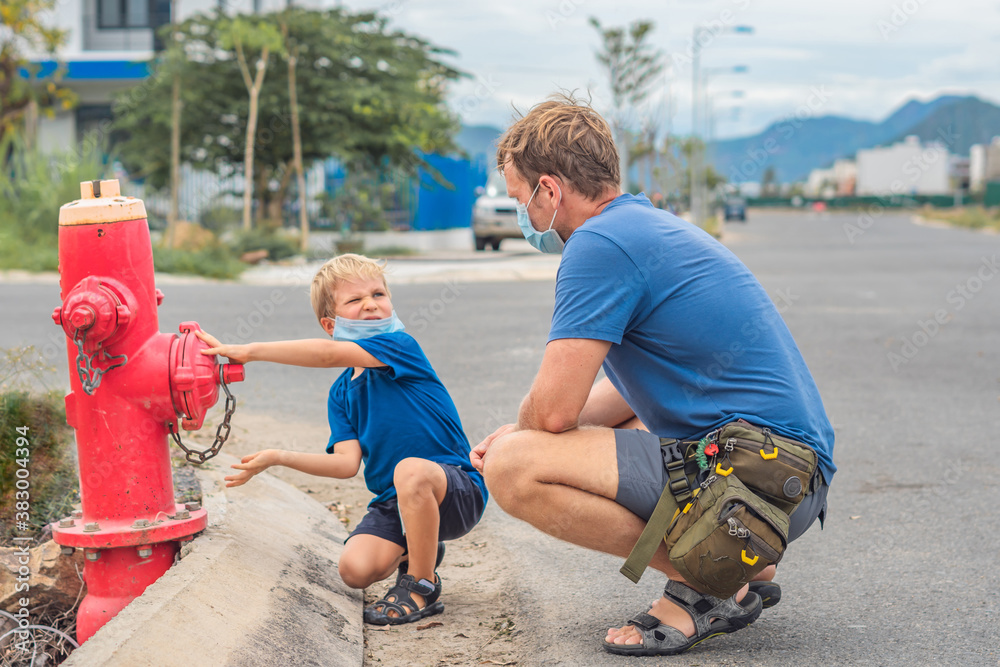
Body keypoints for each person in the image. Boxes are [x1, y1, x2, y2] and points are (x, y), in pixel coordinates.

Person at [470, 95, 835, 657]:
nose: (525, 217)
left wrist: (515, 438)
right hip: (786, 474)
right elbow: (629, 388)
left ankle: (713, 583)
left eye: (521, 199)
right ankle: (742, 561)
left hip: (755, 476)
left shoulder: (597, 246)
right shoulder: (647, 226)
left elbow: (554, 412)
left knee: (514, 469)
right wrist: (515, 428)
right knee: (569, 431)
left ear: (550, 190)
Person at [196, 253, 487, 626]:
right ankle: (420, 548)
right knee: (355, 570)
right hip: (396, 502)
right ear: (330, 324)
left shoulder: (400, 346)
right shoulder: (341, 393)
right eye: (354, 300)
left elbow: (327, 354)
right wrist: (276, 457)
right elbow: (345, 464)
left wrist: (250, 351)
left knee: (411, 471)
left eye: (378, 294)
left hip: (457, 489)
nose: (370, 304)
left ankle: (422, 585)